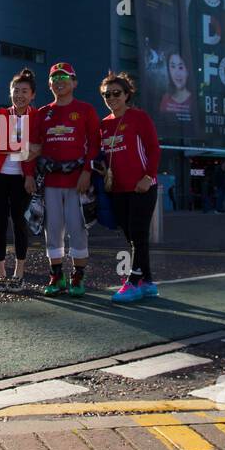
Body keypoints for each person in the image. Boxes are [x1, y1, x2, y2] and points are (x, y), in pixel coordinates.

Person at [31, 61, 100, 296]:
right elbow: (33, 147)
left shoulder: (86, 110)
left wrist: (87, 172)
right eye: (55, 79)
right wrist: (31, 173)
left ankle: (78, 277)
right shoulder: (42, 113)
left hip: (77, 181)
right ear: (49, 84)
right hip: (50, 182)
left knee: (77, 229)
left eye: (65, 78)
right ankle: (56, 275)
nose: (60, 83)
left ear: (74, 82)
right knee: (52, 229)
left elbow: (95, 145)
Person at [98, 72, 161, 303]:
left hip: (142, 187)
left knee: (139, 233)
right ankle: (148, 281)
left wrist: (148, 176)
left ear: (127, 94)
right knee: (131, 236)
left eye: (116, 93)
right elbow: (105, 156)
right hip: (117, 189)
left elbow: (154, 149)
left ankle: (133, 281)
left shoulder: (139, 117)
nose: (111, 98)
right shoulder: (103, 124)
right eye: (107, 94)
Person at [0, 68, 39, 292]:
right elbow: (0, 145)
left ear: (32, 95)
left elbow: (37, 148)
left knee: (19, 223)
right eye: (15, 90)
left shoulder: (36, 117)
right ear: (10, 93)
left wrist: (28, 174)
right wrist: (28, 148)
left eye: (24, 91)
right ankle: (1, 274)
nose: (19, 95)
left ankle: (19, 274)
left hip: (21, 179)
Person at [158, 52, 193, 124]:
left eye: (180, 67)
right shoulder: (165, 99)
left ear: (188, 71)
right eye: (173, 67)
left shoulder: (194, 100)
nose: (177, 73)